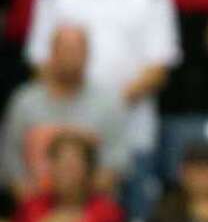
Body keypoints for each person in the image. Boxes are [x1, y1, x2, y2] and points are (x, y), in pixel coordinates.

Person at [26, 0, 179, 157]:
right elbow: (40, 61)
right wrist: (77, 110)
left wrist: (103, 111)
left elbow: (158, 69)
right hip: (64, 139)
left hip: (131, 134)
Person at [1, 26, 128, 196]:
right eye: (65, 50)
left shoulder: (108, 104)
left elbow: (116, 163)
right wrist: (34, 204)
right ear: (51, 53)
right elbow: (10, 160)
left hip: (90, 208)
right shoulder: (25, 102)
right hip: (33, 206)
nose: (71, 57)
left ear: (87, 55)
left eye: (77, 50)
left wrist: (75, 207)